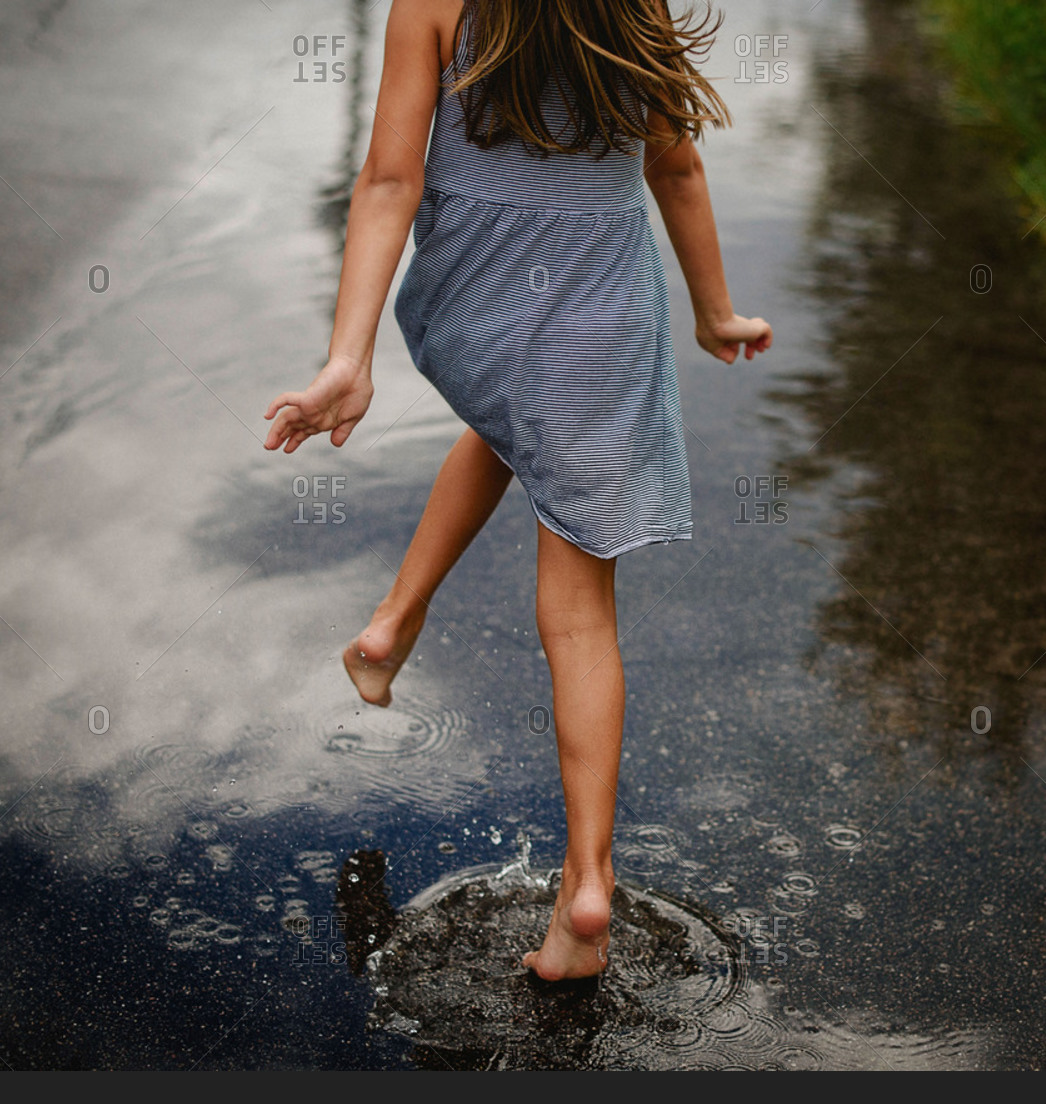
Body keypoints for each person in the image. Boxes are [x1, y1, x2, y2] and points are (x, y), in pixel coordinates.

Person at [263, 0, 772, 980]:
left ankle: (392, 624)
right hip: (593, 320)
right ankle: (588, 886)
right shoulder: (633, 4)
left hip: (479, 302)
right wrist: (715, 312)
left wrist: (347, 356)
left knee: (514, 419)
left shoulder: (433, 5)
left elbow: (387, 180)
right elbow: (677, 166)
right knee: (580, 618)